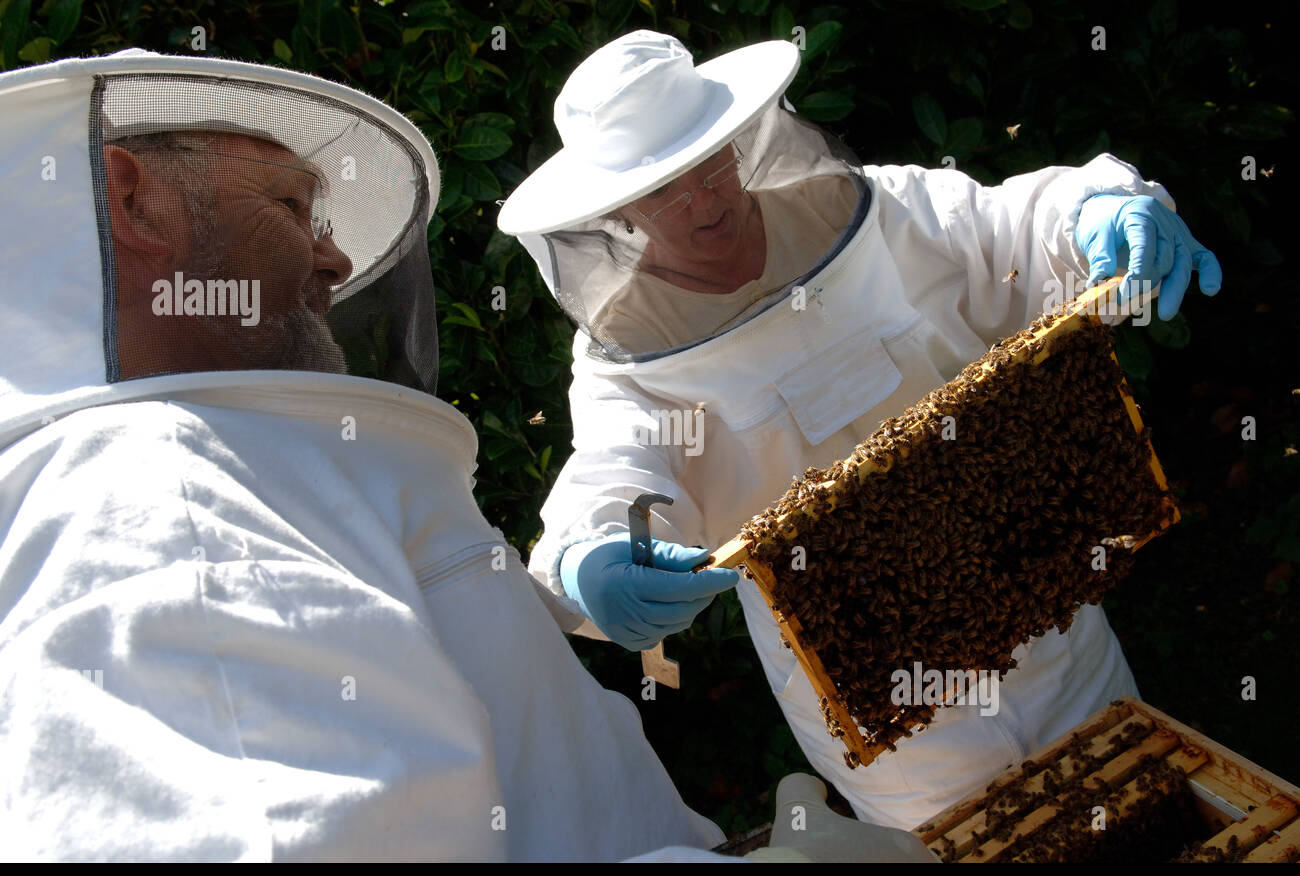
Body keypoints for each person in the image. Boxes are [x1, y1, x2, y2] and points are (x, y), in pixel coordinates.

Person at [0, 47, 736, 862]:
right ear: (131, 199)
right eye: (290, 203)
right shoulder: (156, 486)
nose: (338, 261)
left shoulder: (229, 464)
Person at [497, 31, 1222, 830]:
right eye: (665, 188)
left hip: (1055, 637)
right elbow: (614, 475)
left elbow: (1010, 226)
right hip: (899, 733)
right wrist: (593, 555)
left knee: (1161, 836)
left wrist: (1097, 210)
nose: (705, 199)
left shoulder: (881, 210)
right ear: (619, 211)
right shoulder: (627, 363)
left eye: (712, 161)